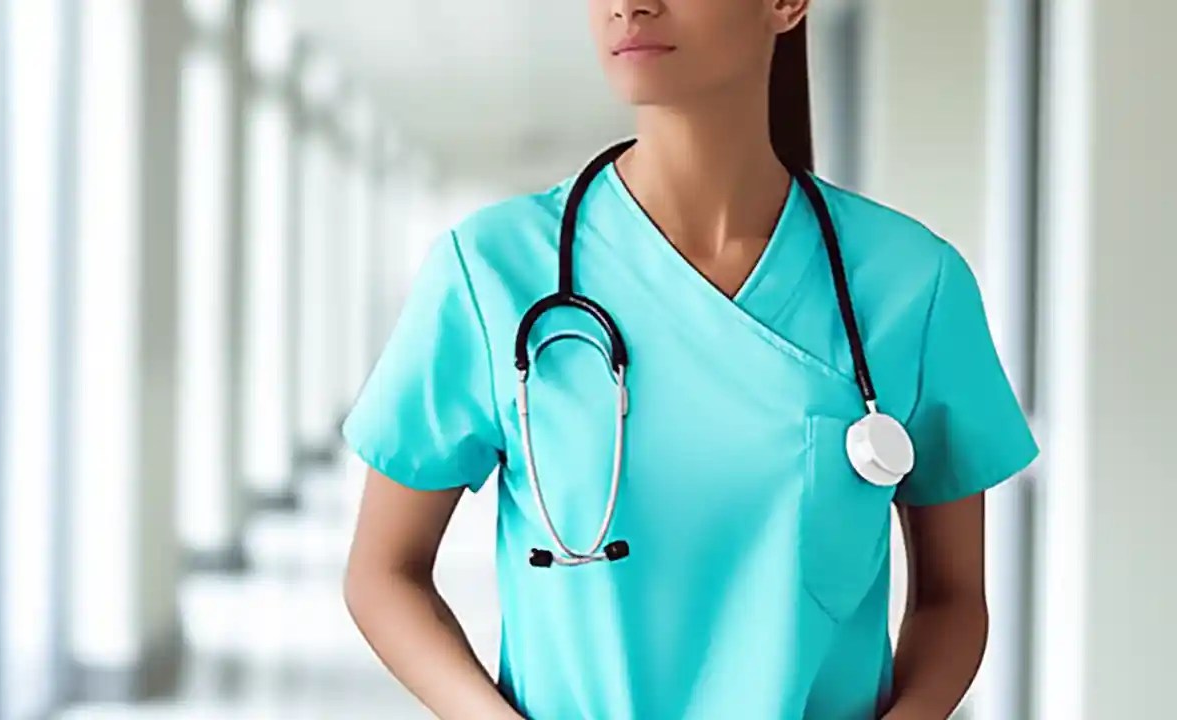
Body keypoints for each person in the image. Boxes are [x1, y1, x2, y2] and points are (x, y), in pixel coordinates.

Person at [341, 0, 1040, 718]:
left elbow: (953, 601)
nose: (628, 5)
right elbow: (383, 572)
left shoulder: (910, 285)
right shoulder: (492, 270)